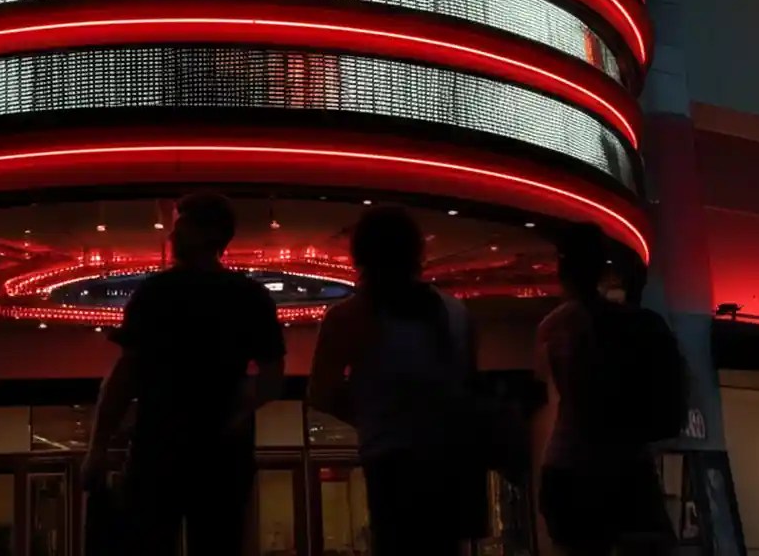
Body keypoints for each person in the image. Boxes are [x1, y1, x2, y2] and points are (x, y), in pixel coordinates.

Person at [81, 192, 286, 556]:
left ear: (204, 233)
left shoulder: (157, 293)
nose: (172, 237)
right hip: (223, 456)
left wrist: (98, 445)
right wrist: (235, 414)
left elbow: (125, 375)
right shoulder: (250, 296)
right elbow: (271, 378)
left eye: (180, 228)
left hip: (158, 448)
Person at [307, 206, 487, 556]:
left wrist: (372, 412)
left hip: (391, 463)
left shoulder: (349, 316)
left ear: (360, 255)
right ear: (417, 252)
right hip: (451, 461)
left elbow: (320, 393)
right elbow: (468, 384)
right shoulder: (455, 312)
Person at [537, 224, 676, 556]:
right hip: (625, 466)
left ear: (562, 268)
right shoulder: (644, 326)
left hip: (568, 468)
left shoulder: (554, 327)